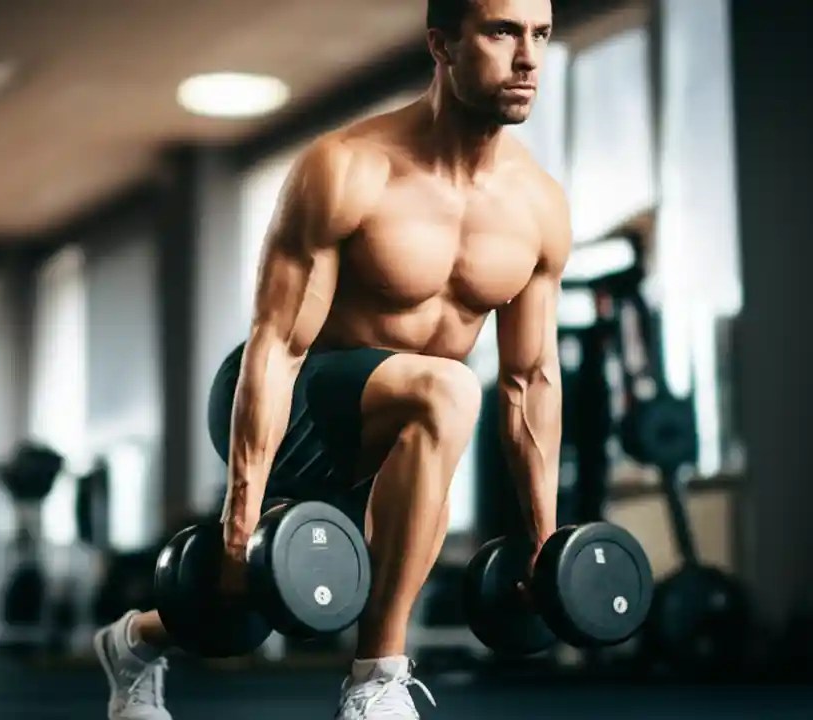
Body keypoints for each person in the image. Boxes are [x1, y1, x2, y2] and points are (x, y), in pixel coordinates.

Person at [94, 0, 569, 717]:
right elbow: (277, 346)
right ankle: (378, 679)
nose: (528, 58)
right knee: (446, 390)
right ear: (441, 43)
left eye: (541, 34)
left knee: (264, 609)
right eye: (503, 32)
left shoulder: (539, 207)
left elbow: (529, 382)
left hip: (402, 435)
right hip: (293, 399)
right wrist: (238, 520)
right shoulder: (348, 169)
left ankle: (135, 642)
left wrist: (543, 544)